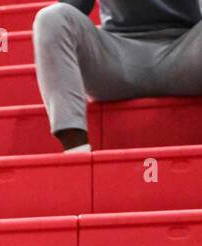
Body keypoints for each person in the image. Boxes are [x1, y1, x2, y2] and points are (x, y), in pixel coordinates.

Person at [32, 0, 202, 152]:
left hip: (185, 52)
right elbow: (70, 8)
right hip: (117, 60)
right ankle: (77, 155)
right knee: (51, 17)